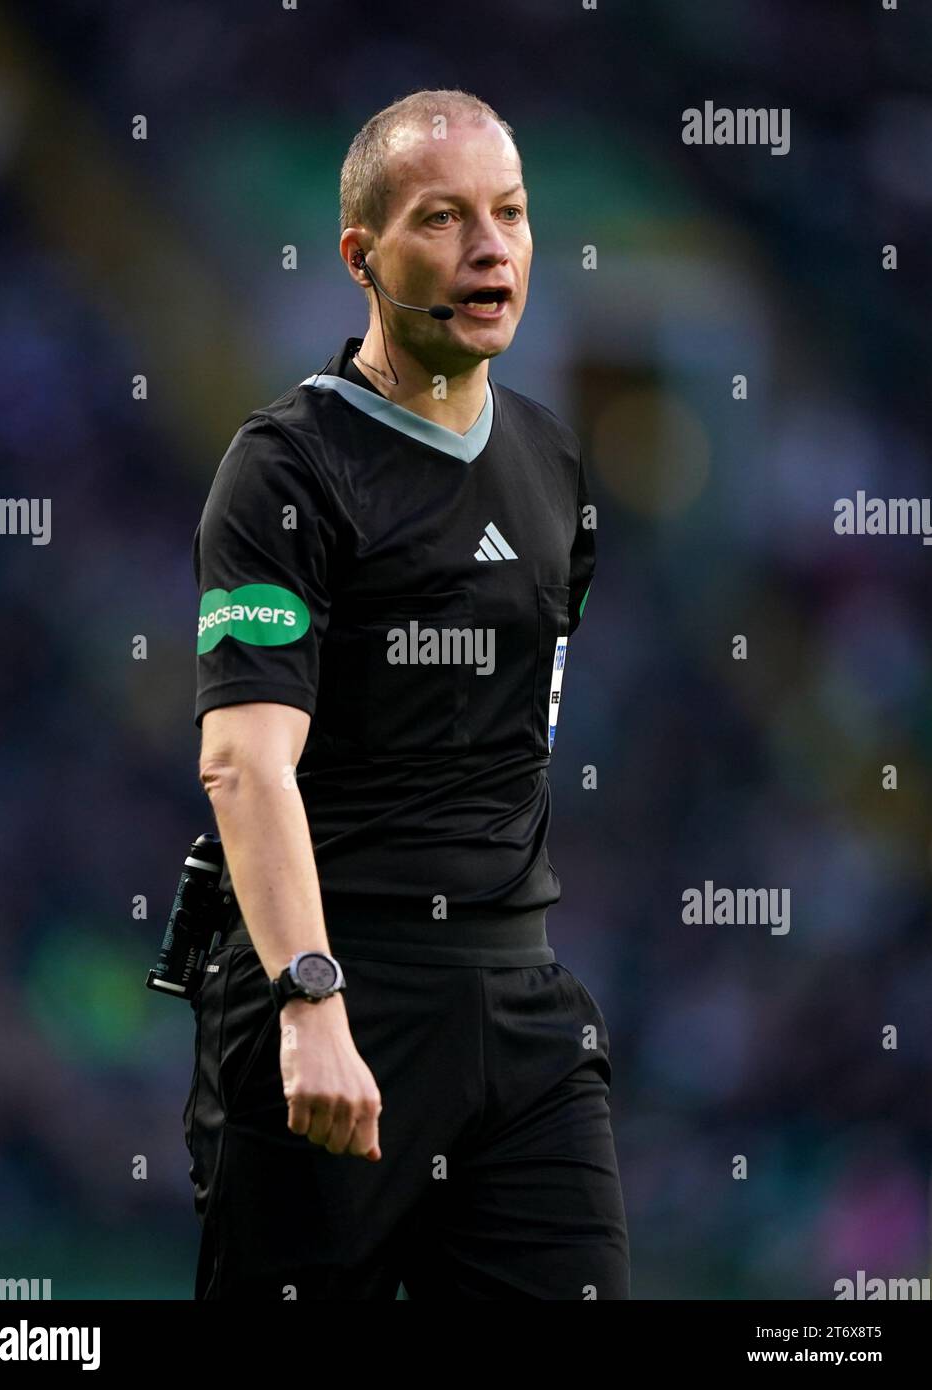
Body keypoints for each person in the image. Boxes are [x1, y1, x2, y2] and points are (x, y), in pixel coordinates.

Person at [185, 87, 630, 1300]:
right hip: (339, 997)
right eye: (442, 220)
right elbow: (243, 762)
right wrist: (308, 997)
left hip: (521, 1003)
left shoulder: (551, 462)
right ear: (361, 257)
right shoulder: (286, 468)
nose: (490, 247)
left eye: (511, 213)